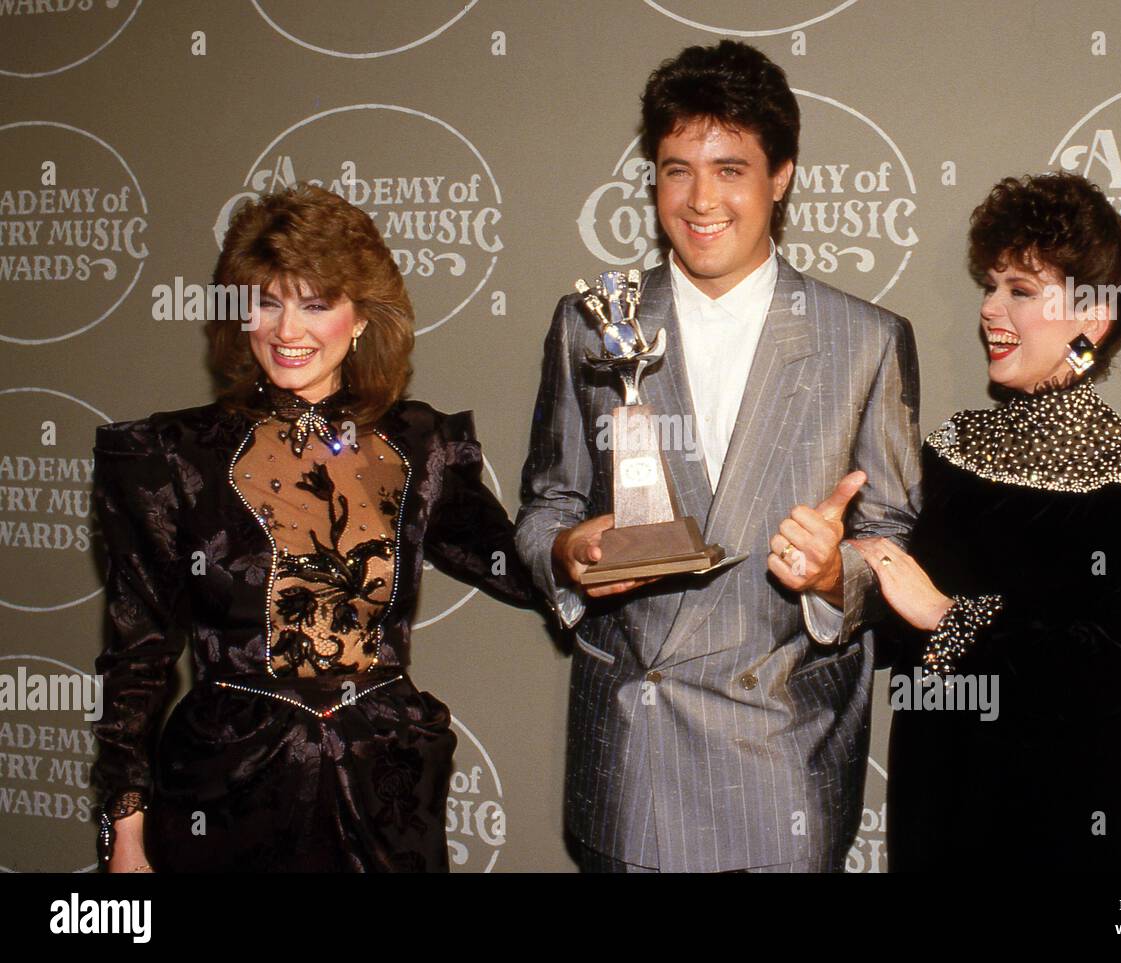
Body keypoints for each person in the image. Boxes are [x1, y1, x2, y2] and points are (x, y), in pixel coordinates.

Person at [515, 40, 922, 873]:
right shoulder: (591, 324)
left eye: (730, 169)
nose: (701, 200)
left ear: (782, 176)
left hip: (781, 758)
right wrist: (567, 550)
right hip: (634, 753)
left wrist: (832, 574)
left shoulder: (866, 340)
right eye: (675, 170)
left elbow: (892, 534)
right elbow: (546, 503)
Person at [91, 183, 535, 872]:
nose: (286, 330)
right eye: (266, 301)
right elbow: (138, 653)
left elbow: (518, 561)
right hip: (226, 790)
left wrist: (602, 545)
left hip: (383, 793)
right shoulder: (174, 457)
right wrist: (125, 826)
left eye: (315, 303)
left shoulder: (422, 447)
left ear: (360, 319)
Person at [845, 171, 1121, 870]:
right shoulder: (953, 448)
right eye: (991, 285)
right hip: (935, 813)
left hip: (1065, 826)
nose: (990, 308)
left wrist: (949, 615)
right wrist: (839, 575)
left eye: (1022, 290)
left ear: (1092, 321)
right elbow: (903, 655)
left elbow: (1108, 680)